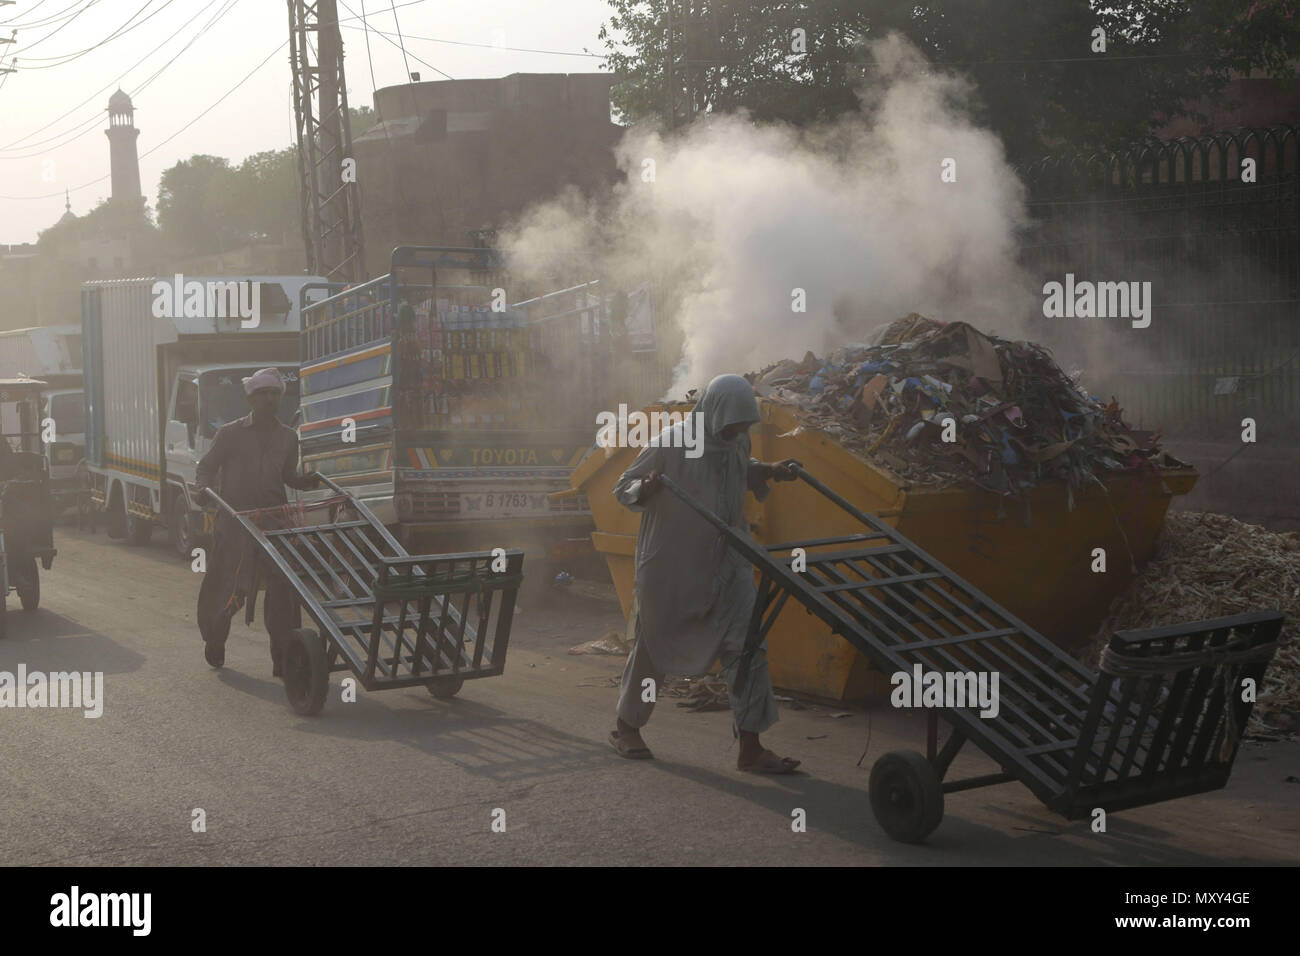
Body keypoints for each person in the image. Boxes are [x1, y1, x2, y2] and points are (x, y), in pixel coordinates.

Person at [609, 373, 802, 773]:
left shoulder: (735, 441)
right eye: (732, 425)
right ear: (713, 414)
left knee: (747, 645)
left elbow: (735, 469)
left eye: (743, 426)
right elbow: (623, 486)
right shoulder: (670, 443)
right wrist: (644, 488)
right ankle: (626, 727)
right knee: (654, 647)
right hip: (672, 564)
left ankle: (751, 746)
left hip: (727, 559)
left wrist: (767, 470)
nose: (736, 432)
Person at [194, 367, 322, 672]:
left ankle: (283, 656)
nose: (270, 399)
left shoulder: (289, 438)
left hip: (274, 523)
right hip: (235, 520)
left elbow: (288, 476)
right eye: (263, 394)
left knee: (283, 592)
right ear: (251, 399)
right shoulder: (230, 433)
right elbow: (206, 466)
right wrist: (202, 487)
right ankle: (215, 637)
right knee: (230, 588)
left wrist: (303, 482)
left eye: (275, 394)